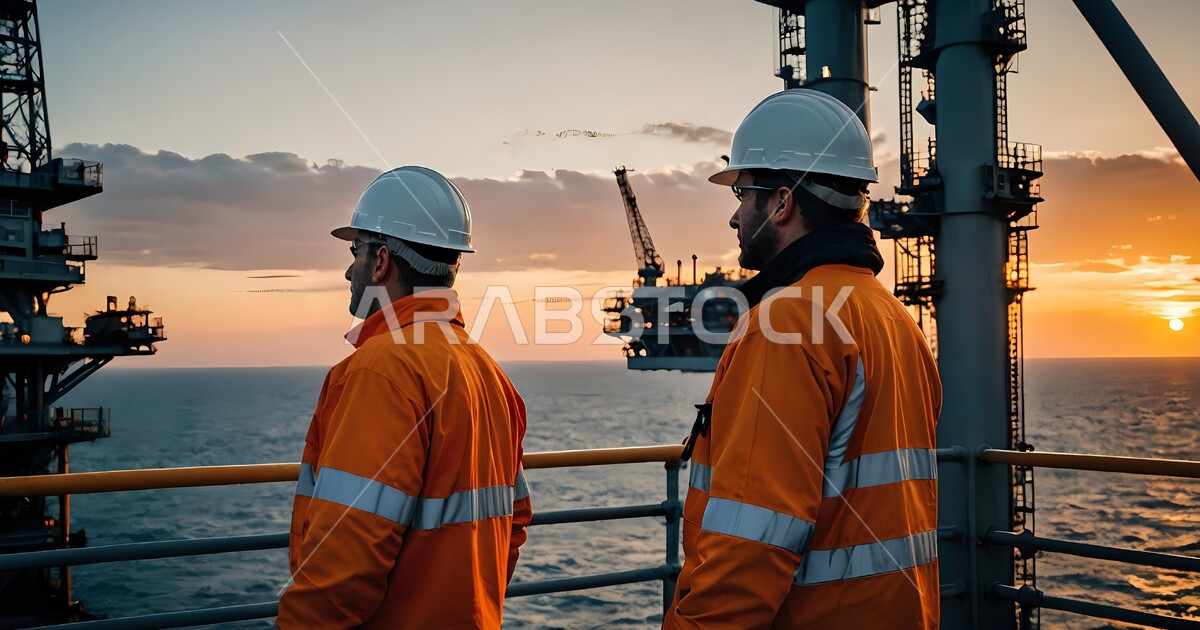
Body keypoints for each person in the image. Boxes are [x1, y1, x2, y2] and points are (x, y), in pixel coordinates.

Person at [664, 90, 942, 628]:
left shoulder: (788, 323)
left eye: (743, 193)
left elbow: (750, 544)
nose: (734, 217)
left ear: (782, 203)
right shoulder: (891, 317)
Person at [277, 166, 532, 629]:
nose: (348, 269)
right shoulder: (487, 371)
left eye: (356, 251)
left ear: (380, 263)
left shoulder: (381, 372)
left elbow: (344, 558)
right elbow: (512, 526)